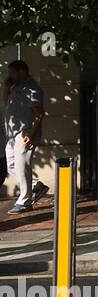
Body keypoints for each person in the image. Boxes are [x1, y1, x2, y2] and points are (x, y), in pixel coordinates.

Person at [3, 60, 48, 214]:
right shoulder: (16, 87)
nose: (10, 76)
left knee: (22, 166)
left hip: (25, 133)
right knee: (11, 165)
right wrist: (6, 87)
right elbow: (6, 103)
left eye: (12, 72)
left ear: (22, 71)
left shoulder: (32, 88)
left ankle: (25, 201)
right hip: (12, 133)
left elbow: (39, 112)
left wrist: (31, 133)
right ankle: (35, 185)